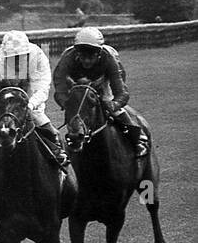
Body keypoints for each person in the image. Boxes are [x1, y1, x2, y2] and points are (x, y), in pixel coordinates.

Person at [0, 30, 67, 179]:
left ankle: (60, 161)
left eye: (19, 57)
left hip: (32, 105)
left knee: (52, 132)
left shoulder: (37, 57)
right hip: (8, 106)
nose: (16, 60)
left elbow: (42, 89)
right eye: (12, 57)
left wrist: (29, 106)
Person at [52, 26, 149, 158]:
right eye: (83, 57)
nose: (86, 61)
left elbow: (122, 93)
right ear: (77, 53)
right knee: (76, 109)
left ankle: (139, 139)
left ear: (98, 54)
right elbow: (59, 85)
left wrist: (113, 104)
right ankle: (70, 142)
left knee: (116, 111)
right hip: (76, 84)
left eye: (91, 57)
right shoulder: (68, 57)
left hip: (102, 83)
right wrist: (67, 103)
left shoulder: (109, 59)